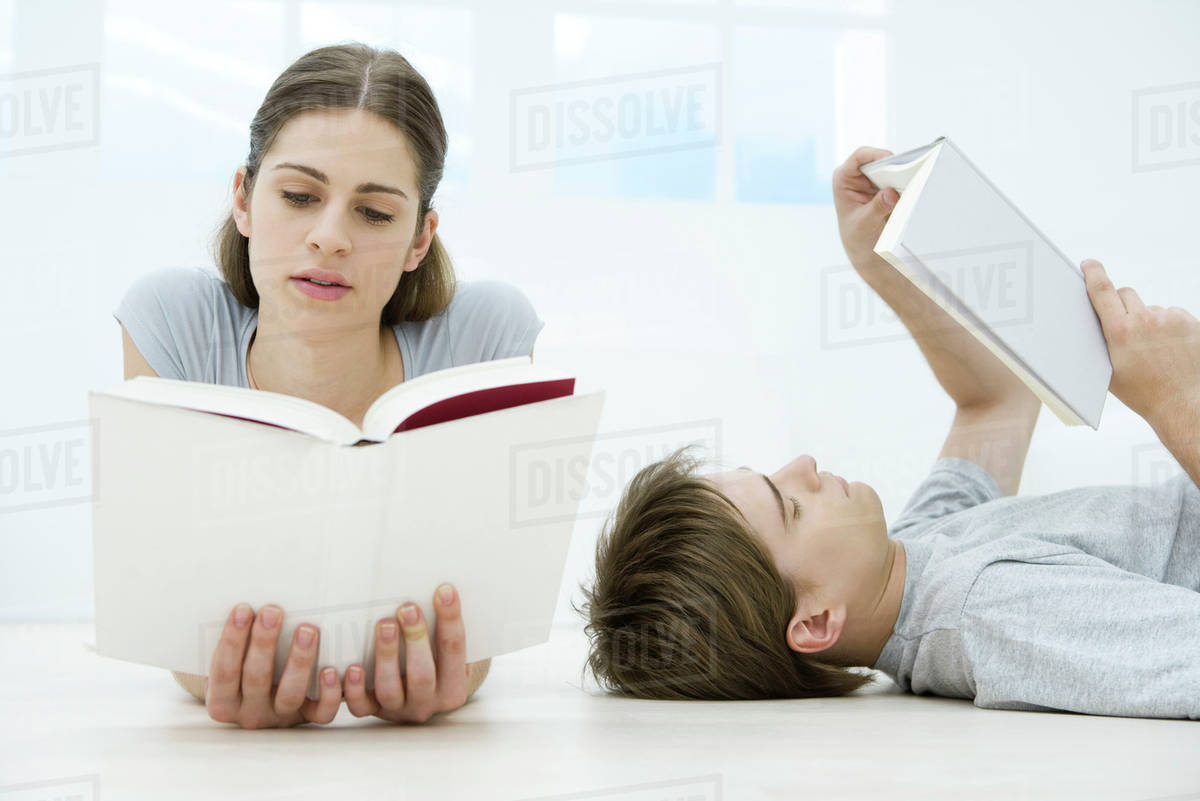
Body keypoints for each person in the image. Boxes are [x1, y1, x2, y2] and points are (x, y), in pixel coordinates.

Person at [578, 145, 1200, 719]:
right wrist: (1177, 402)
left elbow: (996, 404)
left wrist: (882, 261)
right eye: (789, 506)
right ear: (818, 620)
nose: (804, 464)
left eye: (772, 473)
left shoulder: (913, 552)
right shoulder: (987, 610)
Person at [114, 43, 544, 728]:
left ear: (418, 240)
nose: (328, 237)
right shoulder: (172, 324)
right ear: (243, 199)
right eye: (298, 196)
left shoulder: (486, 338)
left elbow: (481, 629)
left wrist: (453, 681)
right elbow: (172, 626)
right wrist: (213, 679)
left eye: (373, 213)